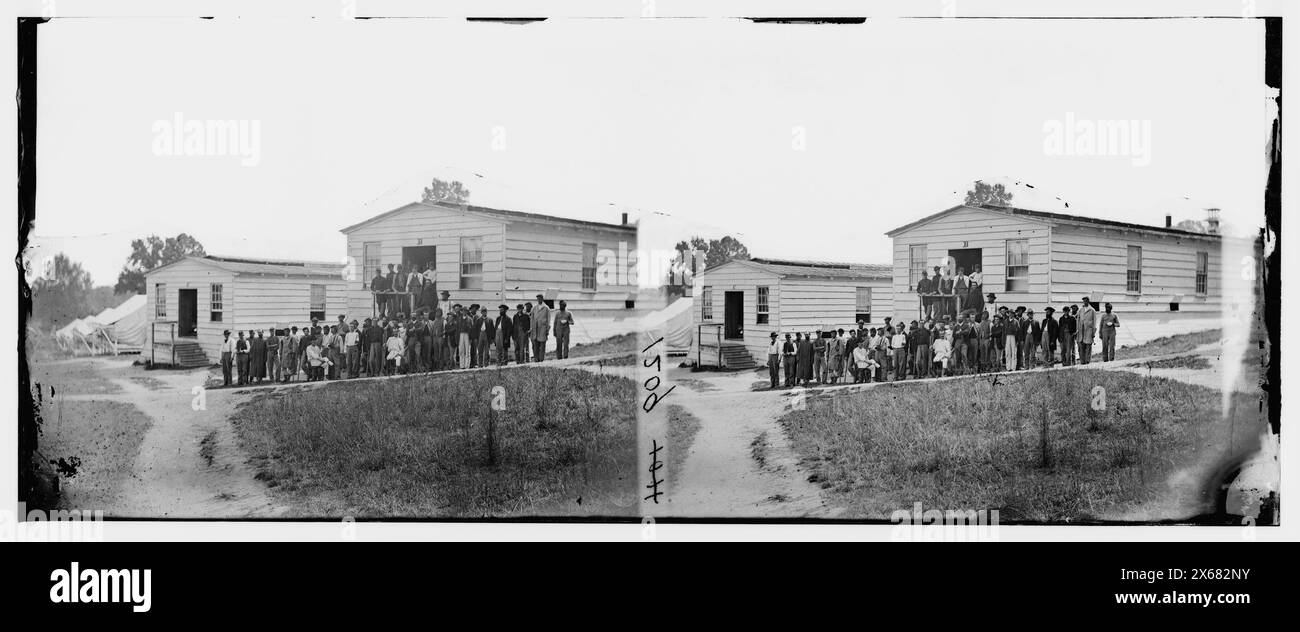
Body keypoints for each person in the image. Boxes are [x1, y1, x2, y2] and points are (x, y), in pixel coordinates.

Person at [530, 294, 551, 362]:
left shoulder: (546, 308)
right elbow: (532, 319)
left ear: (542, 299)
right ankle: (536, 359)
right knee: (535, 345)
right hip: (535, 329)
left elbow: (548, 320)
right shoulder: (534, 308)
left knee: (542, 345)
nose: (539, 300)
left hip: (543, 329)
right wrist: (531, 328)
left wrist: (547, 329)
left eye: (540, 298)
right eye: (538, 299)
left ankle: (541, 359)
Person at [1077, 298, 1097, 364]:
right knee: (1081, 346)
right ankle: (1082, 361)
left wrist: (1093, 332)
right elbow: (1078, 320)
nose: (1085, 302)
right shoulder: (1081, 310)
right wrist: (1077, 330)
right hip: (1081, 330)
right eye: (1084, 301)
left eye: (1086, 301)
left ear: (1088, 301)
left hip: (1089, 330)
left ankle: (1087, 361)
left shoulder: (1092, 310)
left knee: (1088, 346)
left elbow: (1094, 322)